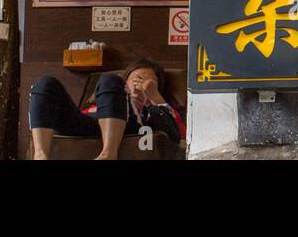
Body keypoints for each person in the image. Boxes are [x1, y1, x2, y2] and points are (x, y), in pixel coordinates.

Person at [28, 58, 184, 160]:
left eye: (146, 79)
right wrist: (123, 95)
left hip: (129, 125)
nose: (139, 82)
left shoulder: (154, 109)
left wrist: (153, 95)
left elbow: (176, 135)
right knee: (44, 84)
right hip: (92, 121)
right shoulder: (106, 93)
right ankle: (40, 155)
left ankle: (109, 154)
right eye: (135, 78)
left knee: (109, 79)